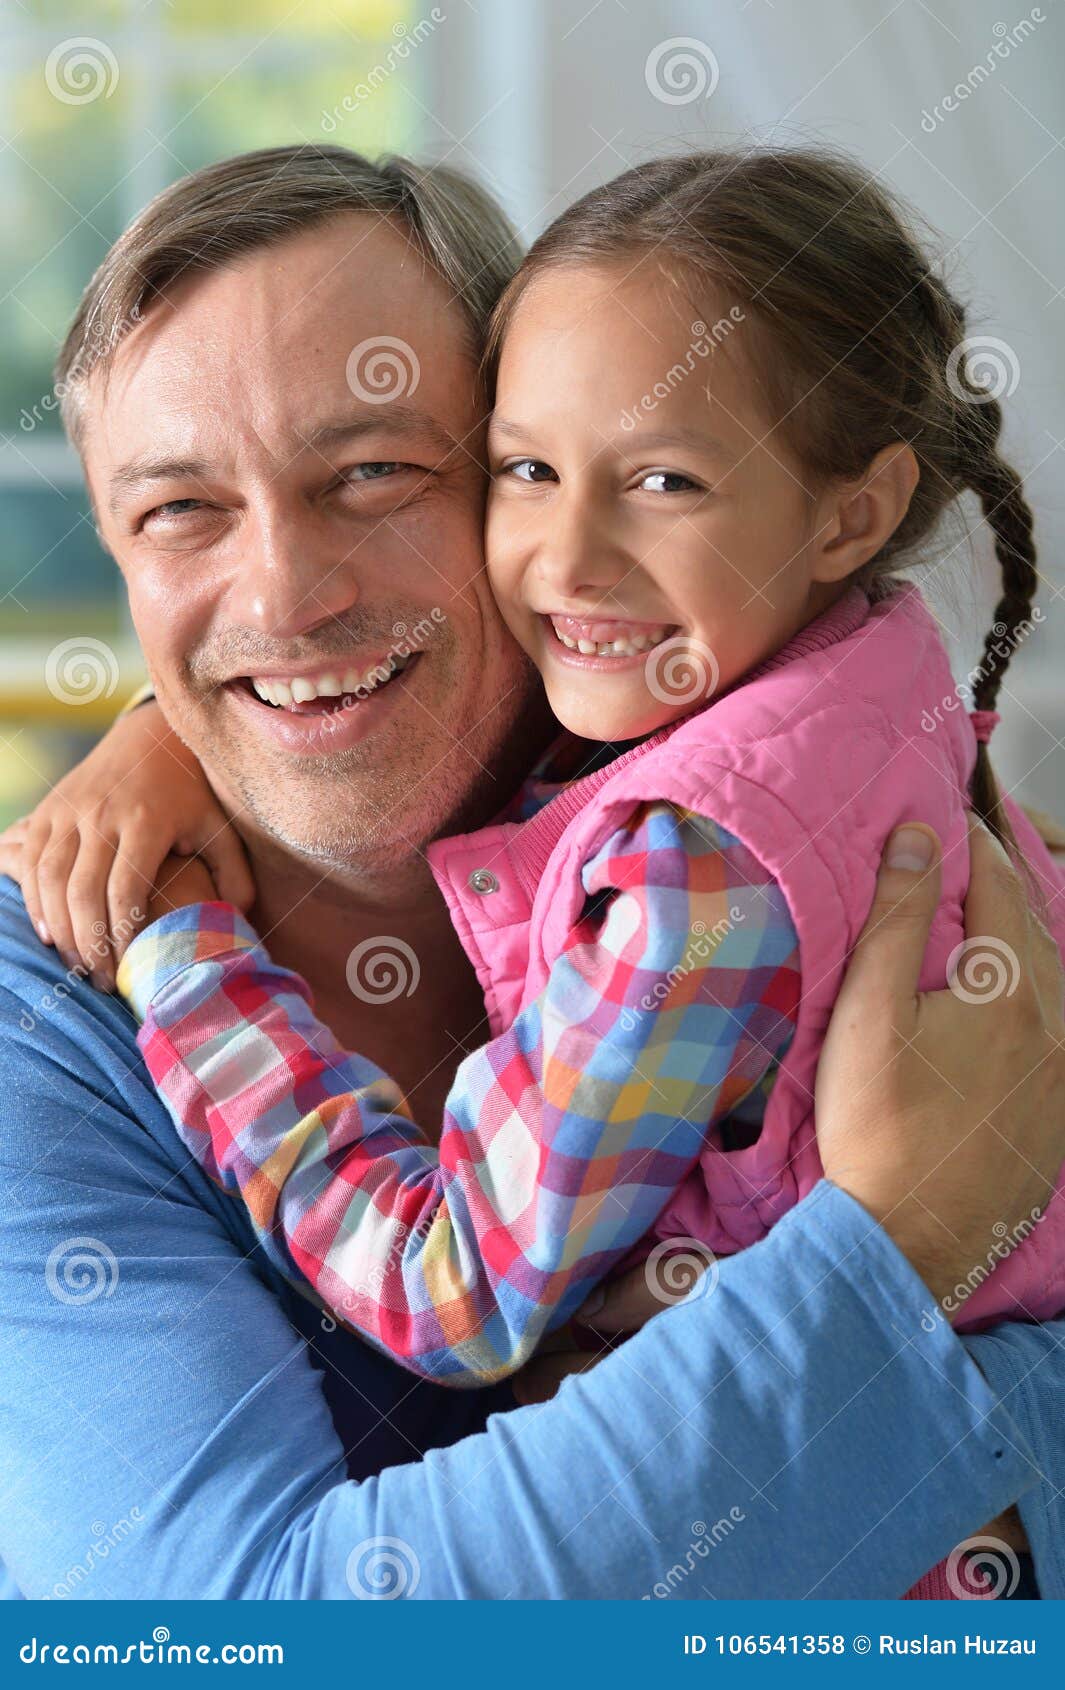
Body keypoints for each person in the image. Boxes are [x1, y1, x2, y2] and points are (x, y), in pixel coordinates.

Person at [0, 145, 1062, 1601]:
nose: (284, 596)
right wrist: (901, 1254)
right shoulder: (35, 1039)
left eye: (376, 470)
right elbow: (237, 1639)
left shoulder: (770, 852)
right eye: (180, 510)